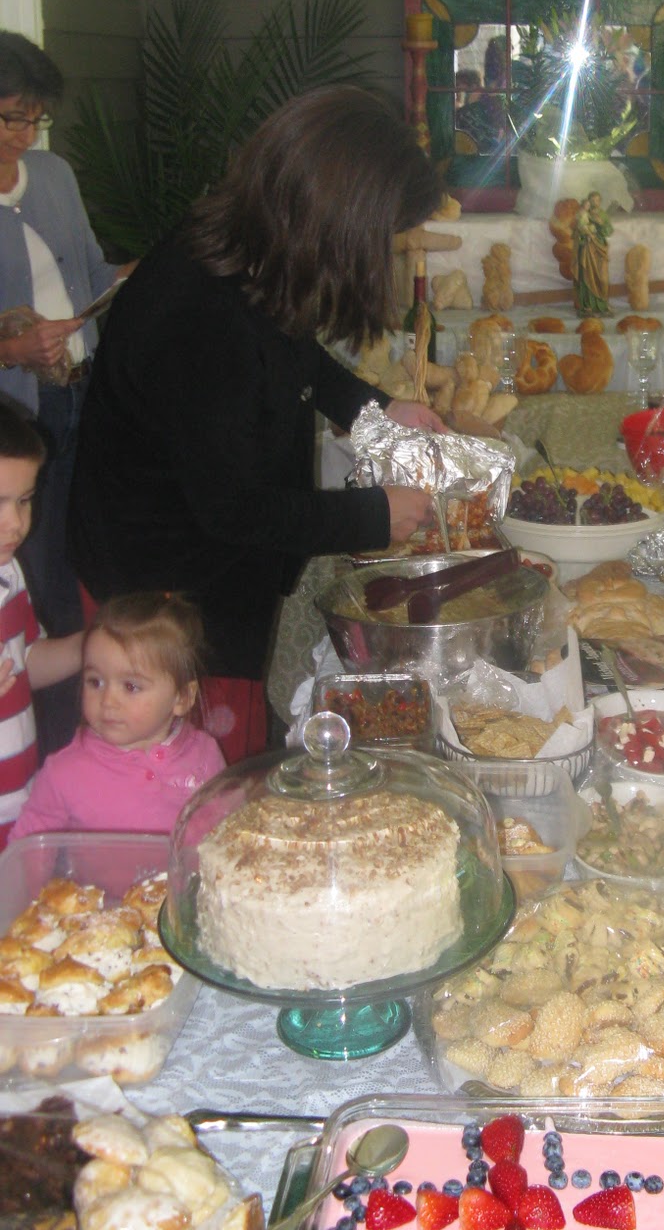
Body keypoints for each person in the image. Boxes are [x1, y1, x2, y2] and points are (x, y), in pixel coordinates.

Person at [69, 85, 444, 765]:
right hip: (162, 599)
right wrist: (371, 516)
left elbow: (290, 351)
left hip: (201, 570)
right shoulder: (200, 315)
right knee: (190, 781)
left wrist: (376, 411)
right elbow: (231, 507)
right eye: (383, 236)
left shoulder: (249, 247)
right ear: (341, 221)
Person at [0, 33, 130, 756]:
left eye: (34, 119)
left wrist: (134, 277)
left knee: (80, 554)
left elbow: (89, 272)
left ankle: (101, 714)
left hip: (82, 395)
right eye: (12, 117)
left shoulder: (51, 176)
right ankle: (42, 741)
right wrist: (14, 349)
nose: (25, 135)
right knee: (35, 571)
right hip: (18, 418)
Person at [10, 591, 224, 838]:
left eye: (130, 686)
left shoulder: (205, 755)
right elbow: (28, 850)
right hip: (93, 879)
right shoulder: (64, 772)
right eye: (95, 682)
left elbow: (229, 834)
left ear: (182, 698)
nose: (108, 701)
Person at [0, 405, 84, 847]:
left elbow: (26, 660)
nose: (15, 523)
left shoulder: (9, 573)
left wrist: (88, 646)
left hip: (19, 809)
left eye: (25, 500)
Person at [574, 190, 614, 317]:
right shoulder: (583, 213)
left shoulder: (603, 214)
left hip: (599, 247)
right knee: (586, 275)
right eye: (592, 200)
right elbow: (577, 231)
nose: (594, 202)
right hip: (587, 247)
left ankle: (602, 304)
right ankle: (587, 306)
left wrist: (600, 223)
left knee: (602, 277)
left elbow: (609, 230)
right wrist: (583, 234)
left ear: (600, 201)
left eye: (596, 200)